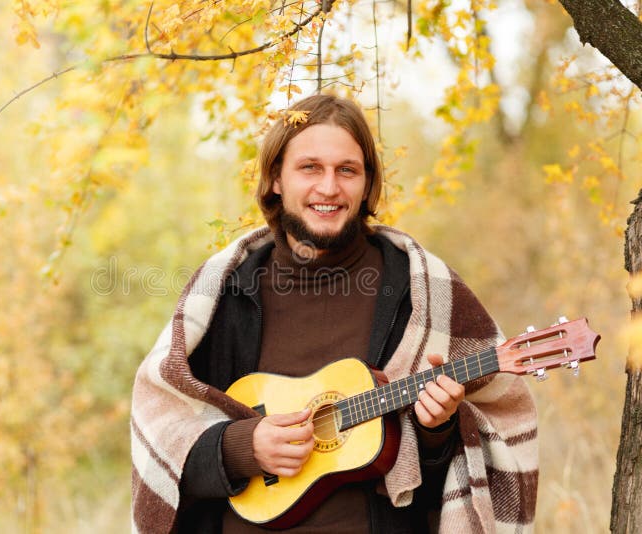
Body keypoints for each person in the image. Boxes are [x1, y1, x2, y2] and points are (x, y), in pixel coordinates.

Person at [131, 94, 538, 533]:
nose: (329, 188)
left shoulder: (420, 288)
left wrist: (437, 430)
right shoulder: (224, 291)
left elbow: (468, 465)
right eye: (310, 168)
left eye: (347, 170)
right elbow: (163, 436)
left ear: (367, 184)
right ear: (275, 179)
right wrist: (240, 448)